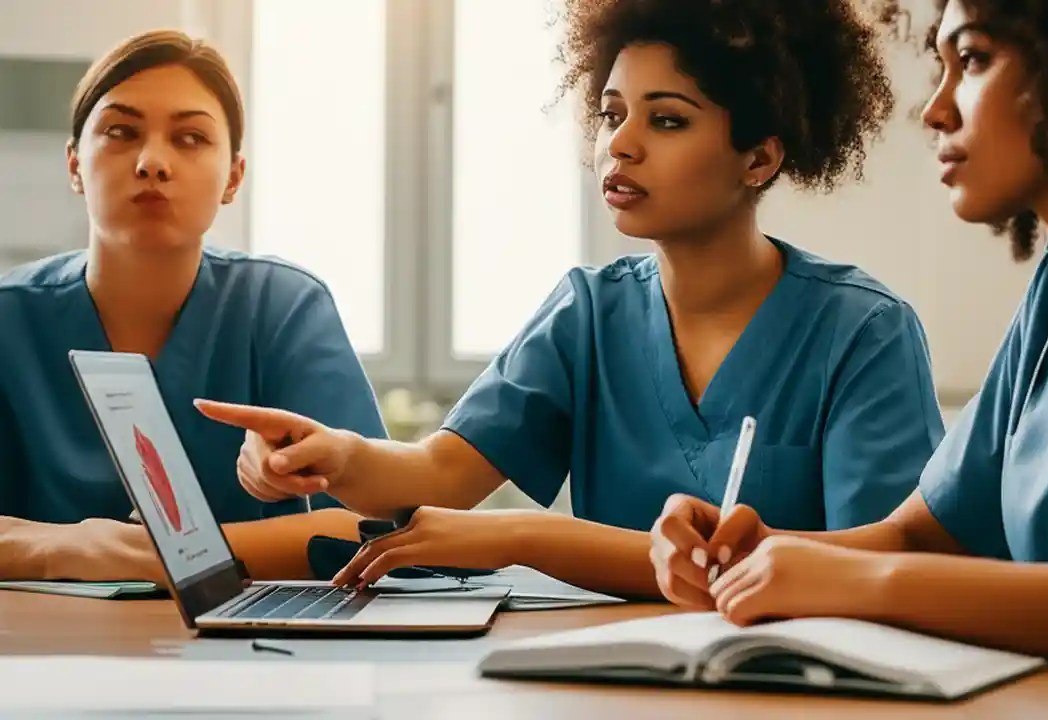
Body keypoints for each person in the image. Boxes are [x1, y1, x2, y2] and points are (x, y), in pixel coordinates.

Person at [196, 0, 945, 598]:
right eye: (613, 112)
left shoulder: (862, 332)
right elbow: (444, 472)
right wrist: (337, 456)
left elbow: (873, 569)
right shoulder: (589, 312)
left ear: (760, 157)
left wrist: (525, 536)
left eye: (668, 119)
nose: (620, 144)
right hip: (608, 679)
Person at [651, 0, 1048, 706]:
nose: (935, 111)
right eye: (940, 67)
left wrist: (864, 585)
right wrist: (761, 552)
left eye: (974, 60)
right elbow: (924, 536)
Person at [0, 30, 385, 582]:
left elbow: (370, 525)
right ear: (74, 165)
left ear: (233, 178)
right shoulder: (11, 319)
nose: (152, 162)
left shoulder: (282, 306)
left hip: (247, 649)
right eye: (120, 132)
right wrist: (67, 549)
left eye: (189, 138)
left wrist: (152, 556)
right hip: (37, 649)